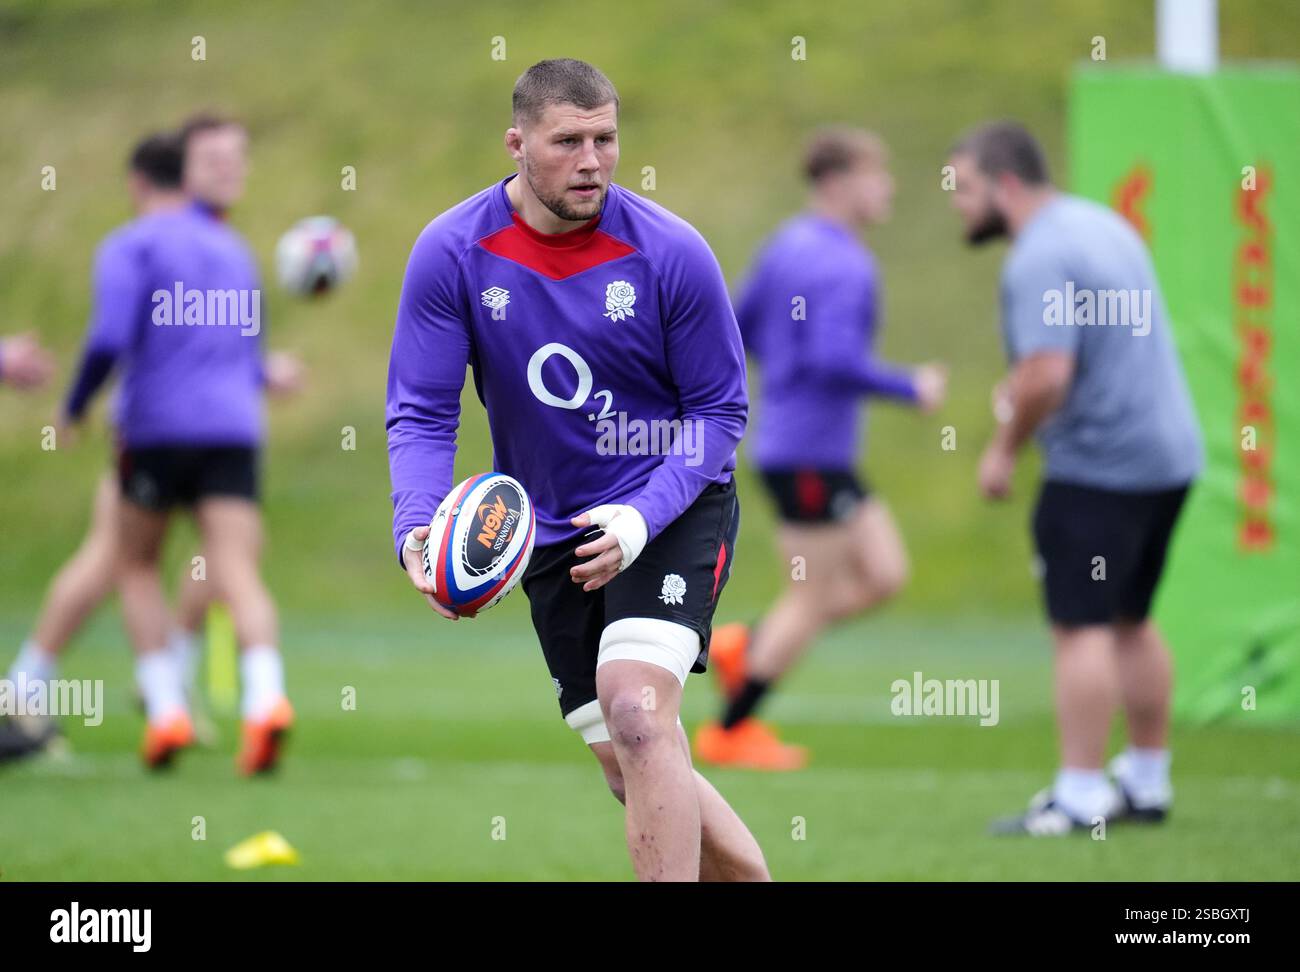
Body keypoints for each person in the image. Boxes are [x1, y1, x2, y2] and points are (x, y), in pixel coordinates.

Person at [388, 58, 768, 880]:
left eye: (605, 138)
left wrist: (638, 520)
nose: (591, 160)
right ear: (518, 143)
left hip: (669, 503)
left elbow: (719, 415)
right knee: (626, 758)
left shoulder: (672, 253)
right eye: (568, 142)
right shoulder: (453, 252)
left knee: (638, 712)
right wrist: (416, 524)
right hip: (551, 529)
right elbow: (422, 410)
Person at [946, 121, 1203, 835]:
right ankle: (1147, 782)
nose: (957, 205)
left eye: (963, 189)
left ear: (1006, 184)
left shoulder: (1039, 256)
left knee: (1082, 627)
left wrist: (1003, 446)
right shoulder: (1100, 224)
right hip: (1168, 458)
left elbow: (1048, 374)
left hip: (1102, 470)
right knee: (1132, 619)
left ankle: (1081, 795)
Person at [694, 127, 947, 770]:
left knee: (885, 574)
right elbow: (833, 359)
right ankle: (730, 729)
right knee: (807, 599)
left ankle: (744, 647)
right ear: (837, 183)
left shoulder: (786, 244)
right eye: (875, 173)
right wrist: (909, 386)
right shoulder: (844, 261)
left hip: (805, 450)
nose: (887, 186)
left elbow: (738, 328)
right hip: (808, 454)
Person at [59, 115, 294, 773]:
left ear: (140, 181)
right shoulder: (233, 248)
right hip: (233, 429)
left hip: (157, 429)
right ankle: (266, 701)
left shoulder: (131, 245)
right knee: (238, 569)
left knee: (135, 564)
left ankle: (165, 712)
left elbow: (108, 338)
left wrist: (73, 406)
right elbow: (248, 354)